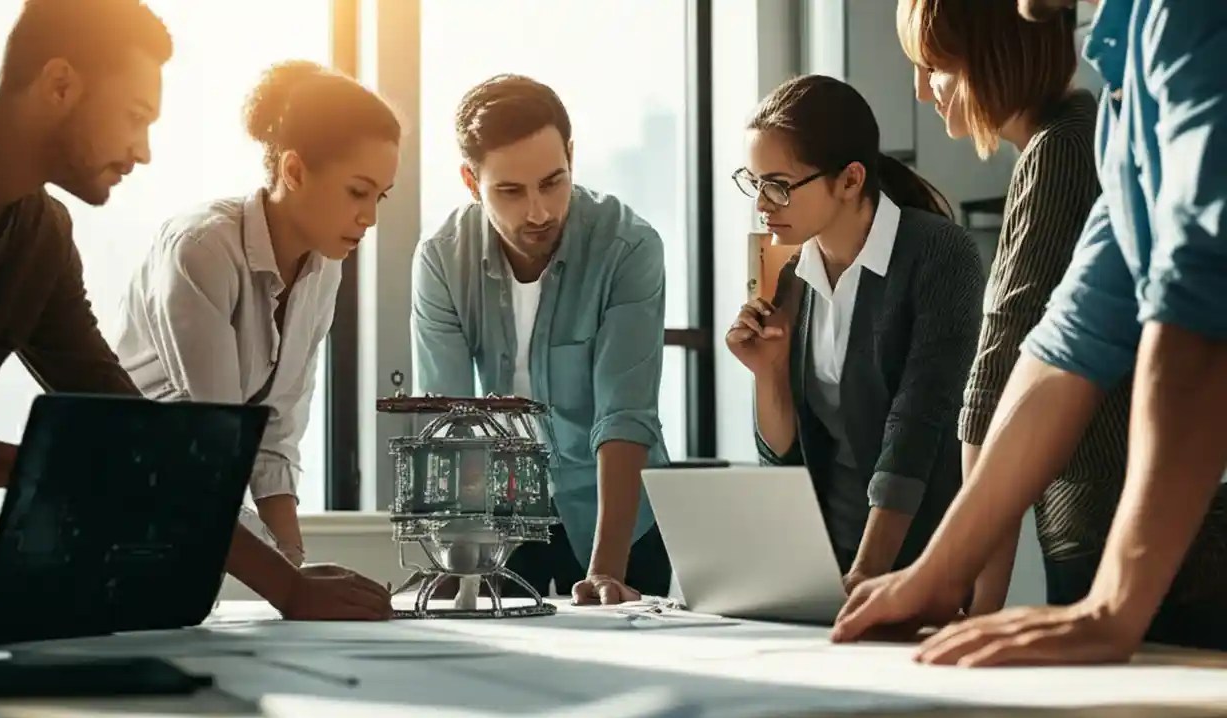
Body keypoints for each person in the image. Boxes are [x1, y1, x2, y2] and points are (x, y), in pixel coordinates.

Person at [0, 0, 391, 621]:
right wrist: (53, 467)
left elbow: (134, 434)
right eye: (136, 117)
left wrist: (287, 587)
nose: (145, 151)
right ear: (60, 85)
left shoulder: (42, 237)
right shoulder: (200, 247)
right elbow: (126, 449)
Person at [833, 0, 1227, 663]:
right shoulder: (1120, 87)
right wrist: (940, 571)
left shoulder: (1183, 16)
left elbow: (1198, 311)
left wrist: (1111, 606)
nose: (922, 88)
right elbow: (1075, 333)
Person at [898, 0, 1152, 618]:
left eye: (935, 67)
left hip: (1100, 516)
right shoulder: (1074, 133)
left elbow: (997, 375)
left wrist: (972, 600)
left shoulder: (1058, 150)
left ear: (991, 55)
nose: (923, 91)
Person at [114, 61, 400, 567]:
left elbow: (275, 434)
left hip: (193, 498)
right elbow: (217, 438)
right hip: (122, 488)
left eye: (380, 196)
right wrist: (290, 584)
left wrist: (293, 559)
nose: (370, 217)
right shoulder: (202, 249)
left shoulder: (324, 267)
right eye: (358, 192)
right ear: (294, 171)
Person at [411, 74, 670, 605]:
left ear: (571, 156)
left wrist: (606, 571)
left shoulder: (629, 247)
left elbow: (624, 415)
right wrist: (458, 557)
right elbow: (450, 421)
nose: (539, 212)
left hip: (617, 520)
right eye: (510, 191)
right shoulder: (442, 259)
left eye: (553, 182)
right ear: (470, 181)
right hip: (504, 517)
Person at [726, 74, 983, 593]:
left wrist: (867, 573)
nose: (762, 204)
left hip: (915, 565)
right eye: (754, 183)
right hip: (824, 565)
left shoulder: (940, 253)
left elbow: (917, 425)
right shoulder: (790, 272)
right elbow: (786, 461)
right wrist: (768, 374)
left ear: (849, 180)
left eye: (778, 185)